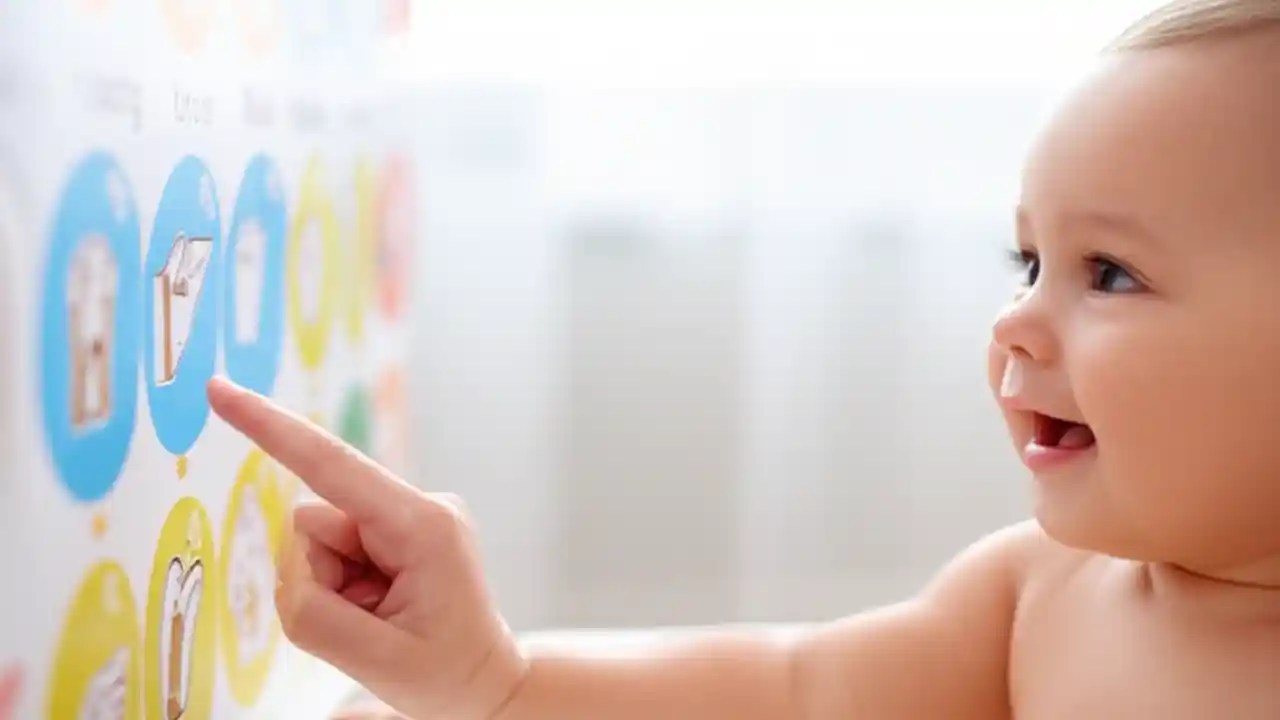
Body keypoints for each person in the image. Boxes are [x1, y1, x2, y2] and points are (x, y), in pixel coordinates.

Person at [207, 0, 1280, 716]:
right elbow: (791, 689)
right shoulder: (1035, 598)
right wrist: (497, 677)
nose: (1015, 323)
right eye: (1026, 259)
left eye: (1109, 274)